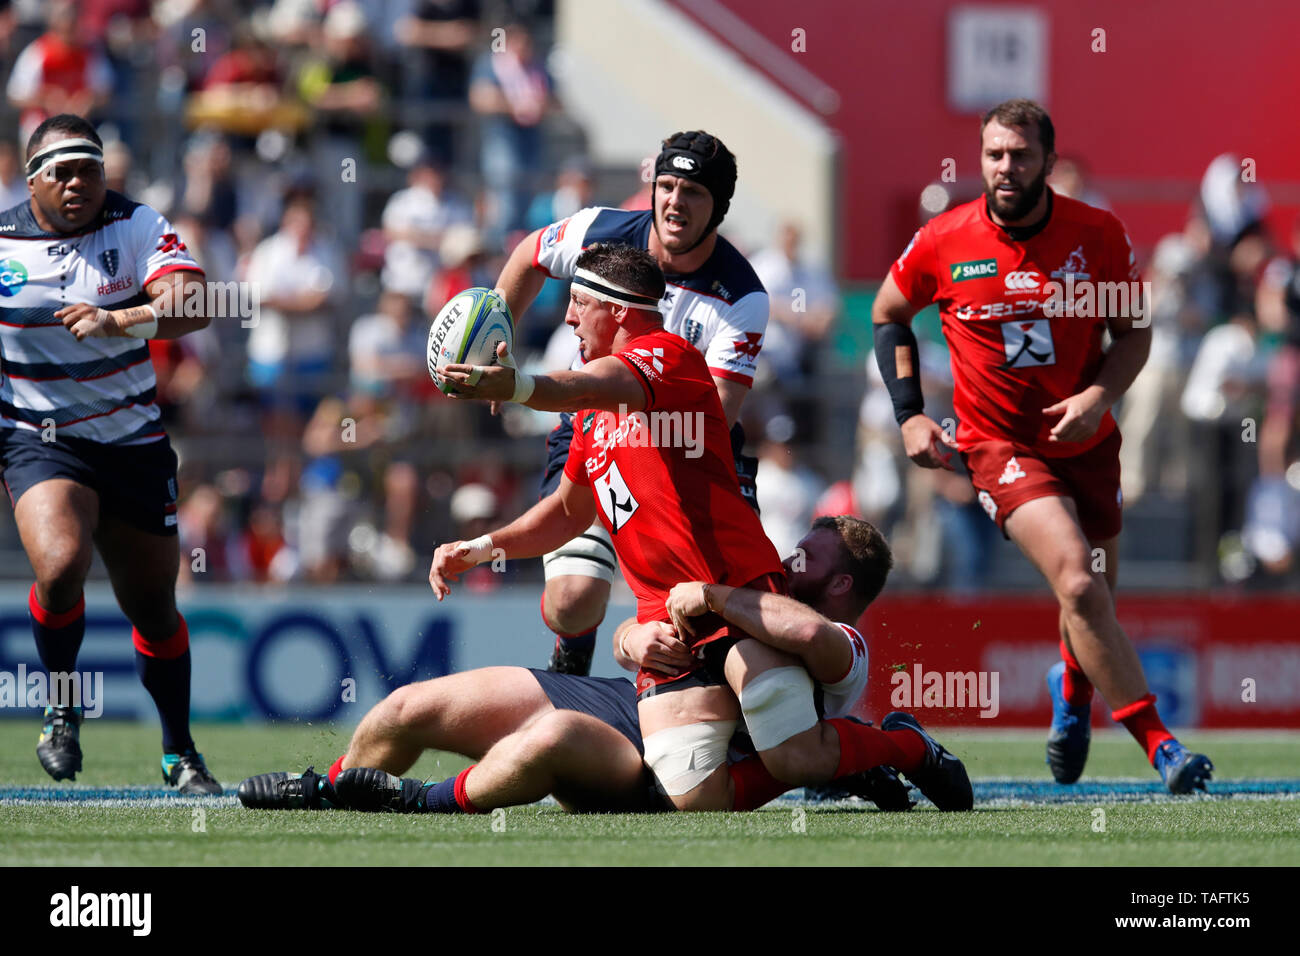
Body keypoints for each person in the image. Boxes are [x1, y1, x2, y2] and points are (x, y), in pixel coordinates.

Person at [431, 243, 971, 813]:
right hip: (672, 621)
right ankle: (855, 762)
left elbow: (592, 385)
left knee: (793, 753)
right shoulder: (591, 414)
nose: (567, 318)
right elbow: (566, 513)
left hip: (738, 595)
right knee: (695, 798)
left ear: (616, 310)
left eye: (578, 303)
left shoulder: (669, 356)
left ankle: (906, 746)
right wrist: (484, 546)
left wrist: (513, 387)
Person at [870, 98, 1212, 793]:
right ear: (981, 157)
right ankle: (1163, 746)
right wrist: (909, 414)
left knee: (1092, 601)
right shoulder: (944, 238)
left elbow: (1136, 334)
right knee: (1080, 584)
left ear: (1048, 163)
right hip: (1000, 447)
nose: (1006, 166)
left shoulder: (1098, 234)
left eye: (1020, 155)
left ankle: (1072, 690)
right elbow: (887, 315)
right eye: (995, 153)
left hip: (1088, 443)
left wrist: (1097, 398)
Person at [235, 516, 911, 815]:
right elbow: (630, 632)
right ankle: (329, 787)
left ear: (843, 586)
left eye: (807, 559)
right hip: (629, 698)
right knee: (407, 708)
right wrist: (634, 642)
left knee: (549, 741)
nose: (789, 561)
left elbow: (807, 635)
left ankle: (423, 803)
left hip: (669, 770)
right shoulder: (755, 592)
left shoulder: (844, 646)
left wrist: (712, 595)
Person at [493, 130, 769, 676]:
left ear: (719, 207)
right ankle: (573, 668)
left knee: (713, 620)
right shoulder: (600, 229)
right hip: (594, 431)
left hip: (685, 452)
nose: (674, 202)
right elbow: (529, 254)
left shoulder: (743, 296)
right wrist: (495, 340)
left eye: (693, 192)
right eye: (666, 185)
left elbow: (713, 419)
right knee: (570, 603)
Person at [0, 114, 218, 792]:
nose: (77, 184)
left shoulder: (137, 226)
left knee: (152, 605)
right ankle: (62, 705)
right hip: (40, 440)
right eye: (60, 172)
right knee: (62, 565)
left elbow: (197, 303)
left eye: (88, 170)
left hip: (132, 442)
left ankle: (179, 751)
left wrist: (118, 318)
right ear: (32, 180)